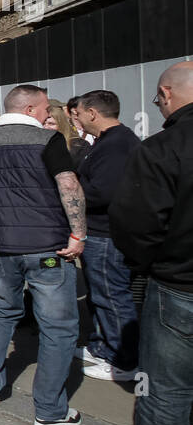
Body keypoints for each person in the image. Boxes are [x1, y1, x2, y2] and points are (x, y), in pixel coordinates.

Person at [0, 84, 86, 425]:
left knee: (3, 309)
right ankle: (50, 411)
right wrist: (78, 235)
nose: (48, 115)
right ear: (28, 109)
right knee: (58, 327)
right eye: (44, 109)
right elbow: (69, 185)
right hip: (48, 247)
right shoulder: (47, 141)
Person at [106, 61, 193, 425]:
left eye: (159, 100)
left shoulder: (164, 148)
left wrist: (148, 267)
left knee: (168, 392)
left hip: (179, 287)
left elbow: (135, 223)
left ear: (166, 93)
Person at [73, 89, 141, 382]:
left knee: (112, 297)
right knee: (100, 296)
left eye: (79, 112)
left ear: (92, 113)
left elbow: (103, 192)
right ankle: (103, 347)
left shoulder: (116, 145)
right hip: (100, 232)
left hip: (106, 234)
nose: (76, 117)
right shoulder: (110, 142)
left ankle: (123, 361)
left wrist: (71, 193)